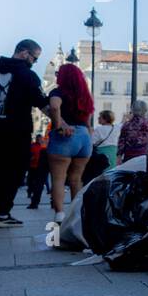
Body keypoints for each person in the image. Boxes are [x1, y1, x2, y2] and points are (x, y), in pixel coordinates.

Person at [0, 39, 49, 228]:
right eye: (34, 58)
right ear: (24, 53)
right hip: (16, 132)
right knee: (15, 170)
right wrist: (61, 121)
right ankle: (2, 212)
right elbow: (42, 103)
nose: (34, 62)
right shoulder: (26, 75)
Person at [46, 62, 94, 223]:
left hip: (66, 136)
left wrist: (58, 125)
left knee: (58, 178)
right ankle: (75, 214)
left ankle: (60, 214)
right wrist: (88, 133)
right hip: (84, 136)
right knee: (76, 178)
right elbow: (88, 120)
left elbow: (54, 107)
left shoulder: (58, 92)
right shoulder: (85, 95)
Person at [26, 132, 50, 209]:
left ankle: (35, 202)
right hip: (34, 166)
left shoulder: (43, 145)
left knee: (40, 182)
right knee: (35, 182)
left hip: (44, 157)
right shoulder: (33, 145)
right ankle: (33, 197)